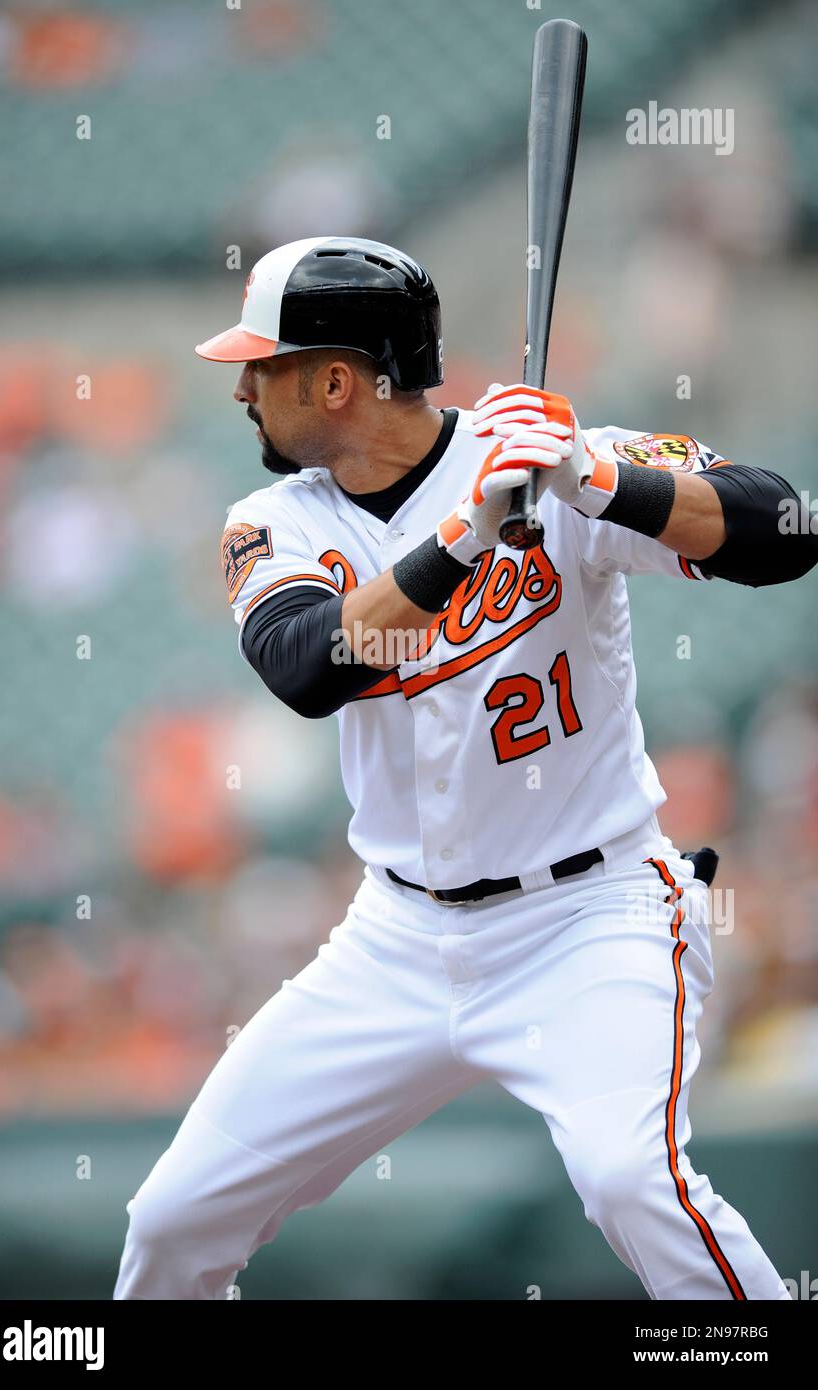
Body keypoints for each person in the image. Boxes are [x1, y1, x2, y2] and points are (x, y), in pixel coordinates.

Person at [114, 237, 816, 1300]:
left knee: (633, 1182)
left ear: (336, 379)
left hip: (591, 915)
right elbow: (307, 666)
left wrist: (596, 480)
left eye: (263, 365)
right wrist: (461, 535)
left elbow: (787, 528)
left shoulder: (547, 460)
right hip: (395, 937)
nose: (245, 389)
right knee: (171, 1220)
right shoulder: (271, 522)